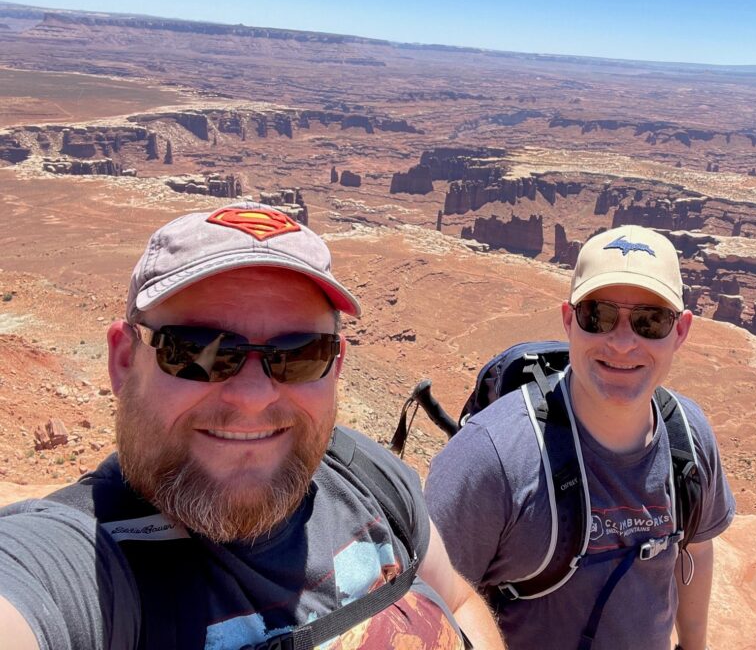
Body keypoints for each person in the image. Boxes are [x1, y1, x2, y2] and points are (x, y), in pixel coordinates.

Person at [0, 203, 504, 650]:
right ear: (124, 360)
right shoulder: (81, 564)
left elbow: (457, 601)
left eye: (301, 355)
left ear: (337, 366)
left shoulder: (372, 479)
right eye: (196, 352)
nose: (252, 397)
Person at [425, 225, 735, 650]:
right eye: (599, 316)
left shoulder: (689, 436)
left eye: (650, 321)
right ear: (570, 321)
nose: (623, 342)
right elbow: (429, 606)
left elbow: (695, 550)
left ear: (680, 331)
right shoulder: (490, 459)